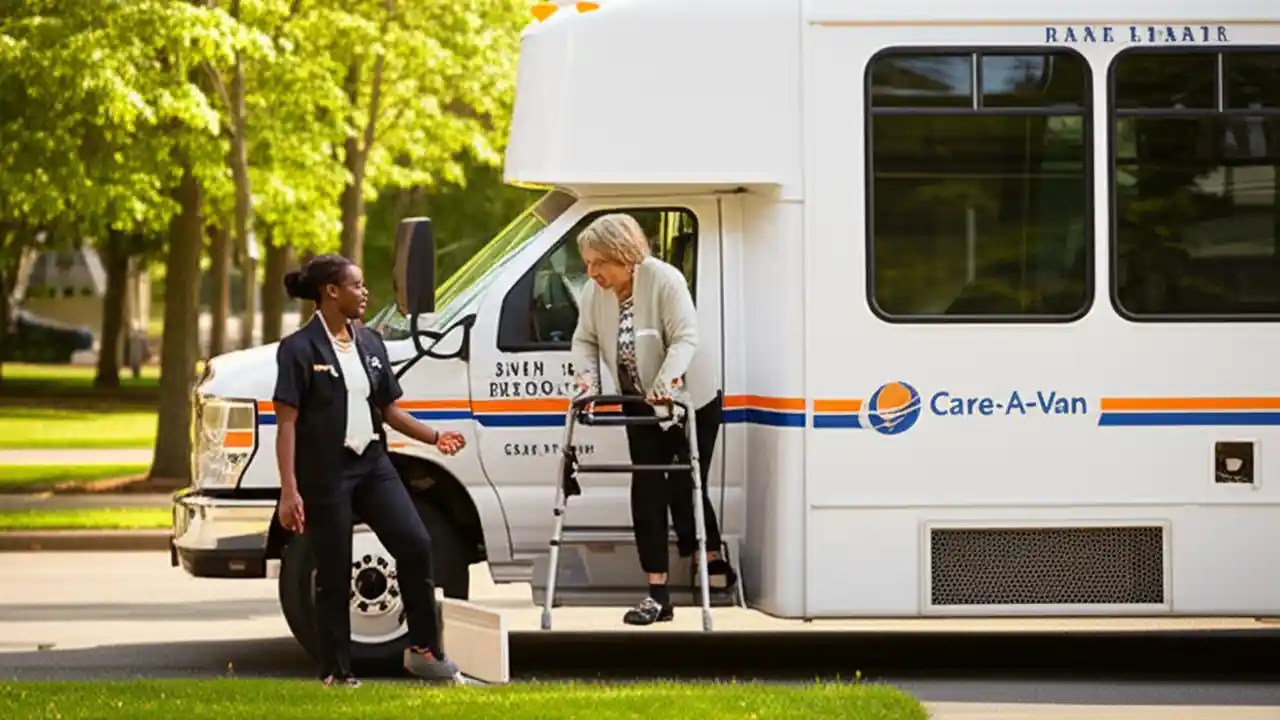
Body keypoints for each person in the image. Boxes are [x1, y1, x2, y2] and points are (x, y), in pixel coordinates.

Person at [273, 253, 465, 686]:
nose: (365, 294)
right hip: (326, 473)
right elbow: (286, 425)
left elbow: (389, 410)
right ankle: (337, 671)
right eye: (357, 286)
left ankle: (423, 648)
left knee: (416, 544)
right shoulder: (298, 350)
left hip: (373, 463)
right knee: (334, 572)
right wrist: (290, 490)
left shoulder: (370, 343)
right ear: (331, 292)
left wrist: (435, 438)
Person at [570, 213, 737, 626]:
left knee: (684, 482)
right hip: (637, 400)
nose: (592, 273)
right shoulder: (595, 293)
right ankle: (657, 594)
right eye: (587, 264)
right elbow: (584, 339)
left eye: (599, 263)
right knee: (646, 487)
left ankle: (710, 554)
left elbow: (685, 337)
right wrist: (588, 384)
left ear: (625, 256)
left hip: (689, 399)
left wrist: (666, 383)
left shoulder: (665, 280)